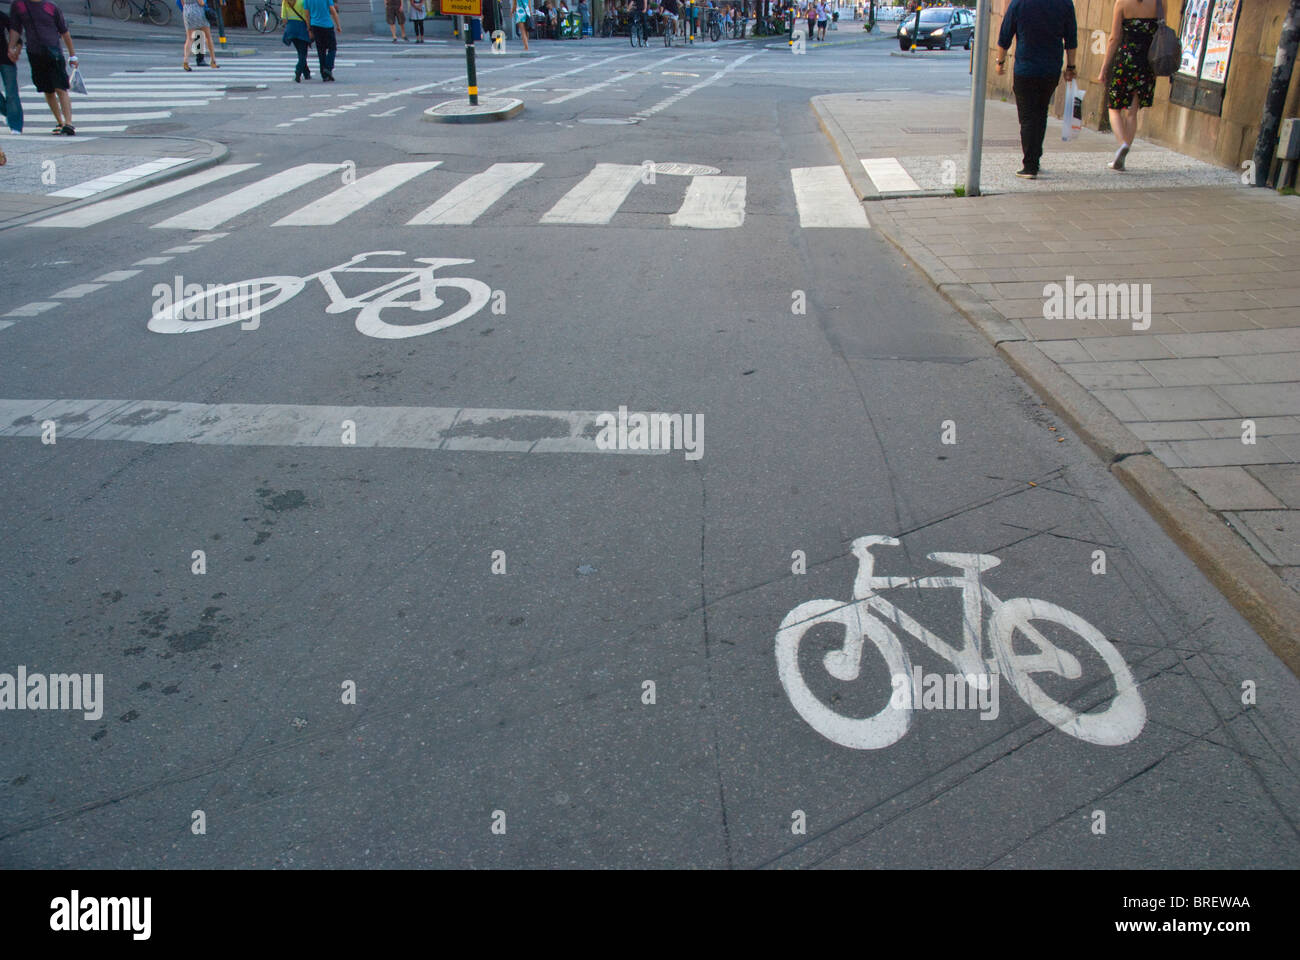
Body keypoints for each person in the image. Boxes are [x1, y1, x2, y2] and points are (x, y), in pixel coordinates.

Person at [995, 0, 1077, 179]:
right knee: (1040, 113)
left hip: (1025, 69)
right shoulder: (1065, 3)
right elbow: (1071, 39)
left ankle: (1030, 166)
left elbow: (1005, 35)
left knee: (1027, 118)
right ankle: (1035, 158)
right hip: (1050, 70)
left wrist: (1000, 62)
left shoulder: (1019, 3)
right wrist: (1070, 67)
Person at [1095, 0, 1159, 171]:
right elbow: (1161, 31)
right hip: (1147, 63)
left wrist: (1104, 69)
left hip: (1125, 60)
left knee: (1113, 108)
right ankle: (1123, 156)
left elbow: (1114, 38)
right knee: (1132, 112)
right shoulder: (1159, 3)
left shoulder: (1122, 3)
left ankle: (1122, 144)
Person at [6, 0, 77, 135]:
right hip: (35, 53)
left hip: (54, 53)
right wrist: (11, 46)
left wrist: (73, 56)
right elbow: (16, 29)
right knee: (47, 89)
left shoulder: (51, 6)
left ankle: (68, 123)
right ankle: (60, 122)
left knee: (61, 87)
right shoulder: (19, 5)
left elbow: (64, 32)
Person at [0, 6, 24, 137]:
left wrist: (16, 49)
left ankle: (15, 125)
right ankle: (10, 114)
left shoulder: (2, 17)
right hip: (6, 59)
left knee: (11, 93)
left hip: (6, 59)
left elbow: (17, 38)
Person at [303, 0, 340, 81]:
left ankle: (324, 75)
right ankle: (328, 67)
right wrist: (338, 25)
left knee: (321, 50)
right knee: (332, 48)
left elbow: (307, 14)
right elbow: (333, 11)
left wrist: (309, 28)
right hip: (327, 25)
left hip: (315, 26)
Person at [181, 0, 219, 70]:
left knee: (189, 38)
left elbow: (182, 2)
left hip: (187, 11)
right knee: (208, 37)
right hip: (198, 12)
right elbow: (201, 2)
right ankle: (213, 61)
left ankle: (185, 61)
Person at [281, 0, 312, 81]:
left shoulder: (285, 1)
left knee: (300, 52)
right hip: (301, 27)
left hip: (291, 28)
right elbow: (306, 16)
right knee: (303, 53)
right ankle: (298, 70)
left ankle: (306, 73)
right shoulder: (302, 1)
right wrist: (309, 28)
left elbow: (284, 19)